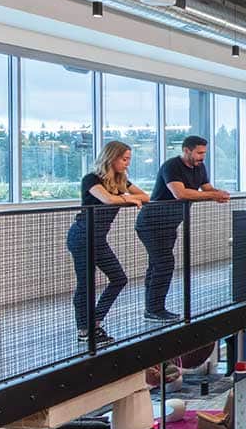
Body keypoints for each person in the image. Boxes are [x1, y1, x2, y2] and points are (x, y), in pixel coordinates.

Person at [138, 135, 232, 322]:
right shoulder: (171, 166)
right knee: (164, 264)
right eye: (199, 153)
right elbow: (179, 193)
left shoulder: (200, 167)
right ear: (186, 150)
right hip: (151, 223)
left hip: (170, 225)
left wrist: (218, 194)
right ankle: (154, 309)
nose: (202, 157)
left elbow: (207, 188)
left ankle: (151, 308)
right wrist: (212, 195)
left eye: (204, 153)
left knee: (157, 265)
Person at [67, 140, 147, 344]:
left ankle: (94, 322)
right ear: (112, 158)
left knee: (119, 278)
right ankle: (84, 330)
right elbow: (107, 199)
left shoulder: (120, 181)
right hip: (82, 236)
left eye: (129, 159)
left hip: (98, 239)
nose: (128, 163)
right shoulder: (91, 179)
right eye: (124, 159)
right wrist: (128, 198)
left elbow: (145, 196)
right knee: (85, 284)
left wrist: (126, 195)